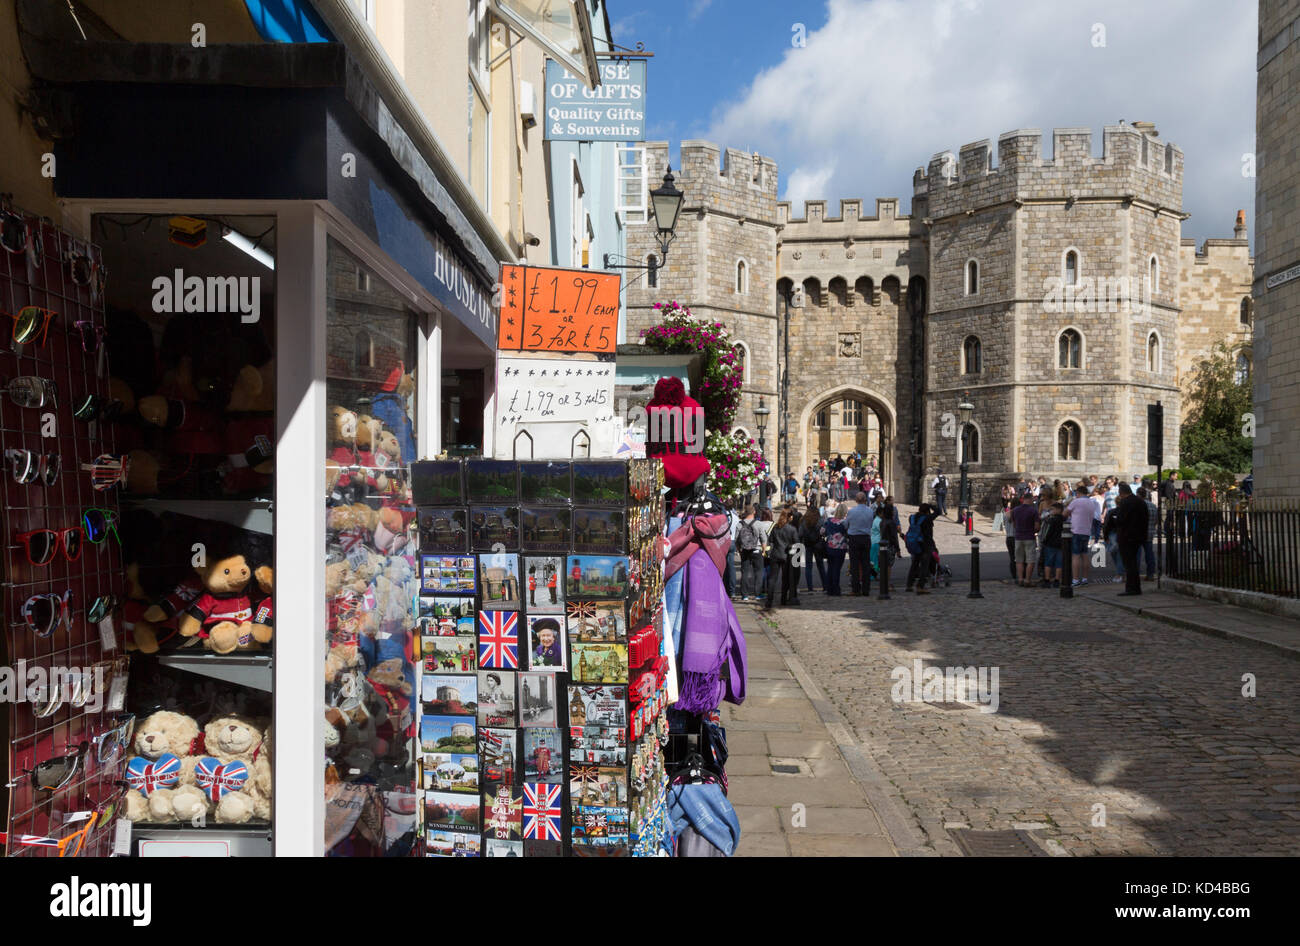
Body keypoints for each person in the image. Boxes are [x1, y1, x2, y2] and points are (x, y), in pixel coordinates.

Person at [1112, 483, 1149, 596]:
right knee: (1133, 562)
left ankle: (1131, 588)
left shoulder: (1125, 502)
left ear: (1122, 493)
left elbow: (1121, 520)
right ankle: (1135, 587)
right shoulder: (1140, 501)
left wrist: (1115, 520)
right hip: (1139, 536)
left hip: (1127, 536)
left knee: (1129, 564)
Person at [763, 508, 800, 610]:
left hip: (775, 554)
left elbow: (770, 541)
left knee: (772, 578)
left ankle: (769, 600)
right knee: (785, 578)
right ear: (790, 517)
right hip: (786, 556)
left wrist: (768, 552)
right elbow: (797, 543)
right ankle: (783, 599)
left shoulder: (775, 527)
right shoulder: (792, 529)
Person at [905, 503, 940, 593]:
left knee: (915, 564)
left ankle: (909, 585)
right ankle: (920, 586)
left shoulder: (912, 517)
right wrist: (931, 505)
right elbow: (938, 511)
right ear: (927, 511)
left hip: (915, 543)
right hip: (926, 544)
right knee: (924, 565)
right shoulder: (927, 518)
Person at [846, 492, 875, 595]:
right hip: (866, 538)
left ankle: (856, 589)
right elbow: (871, 524)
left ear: (856, 500)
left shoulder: (852, 511)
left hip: (854, 538)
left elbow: (846, 524)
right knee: (865, 564)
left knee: (854, 565)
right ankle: (866, 589)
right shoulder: (870, 511)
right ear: (865, 500)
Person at [1066, 484, 1095, 586]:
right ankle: (1085, 578)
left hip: (1076, 531)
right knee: (1085, 555)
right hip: (1087, 531)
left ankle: (1075, 579)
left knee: (1076, 556)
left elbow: (1065, 513)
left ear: (1078, 493)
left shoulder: (1076, 501)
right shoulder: (1091, 502)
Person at [1010, 492, 1040, 587]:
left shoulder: (1015, 510)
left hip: (1018, 537)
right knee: (1030, 560)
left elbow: (1014, 524)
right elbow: (1037, 527)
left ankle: (1020, 579)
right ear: (1030, 499)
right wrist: (1034, 530)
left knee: (1019, 560)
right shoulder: (1033, 511)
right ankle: (1027, 580)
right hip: (1029, 537)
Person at [821, 502, 849, 596]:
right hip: (840, 548)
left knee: (830, 568)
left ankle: (829, 589)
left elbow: (822, 532)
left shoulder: (829, 520)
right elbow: (848, 533)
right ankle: (836, 589)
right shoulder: (844, 523)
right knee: (837, 568)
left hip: (830, 546)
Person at [736, 505, 763, 601]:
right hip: (756, 549)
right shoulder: (758, 523)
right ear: (754, 512)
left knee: (745, 572)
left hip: (744, 550)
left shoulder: (740, 524)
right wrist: (763, 549)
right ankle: (758, 594)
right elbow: (763, 538)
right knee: (758, 572)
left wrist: (740, 550)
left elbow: (737, 540)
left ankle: (745, 595)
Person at [799, 505, 827, 593]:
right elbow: (824, 532)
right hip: (818, 544)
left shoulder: (803, 521)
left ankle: (810, 587)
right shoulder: (820, 520)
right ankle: (825, 586)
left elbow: (800, 533)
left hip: (807, 544)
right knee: (821, 566)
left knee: (808, 567)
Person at [877, 499, 901, 597]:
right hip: (889, 545)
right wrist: (898, 549)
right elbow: (894, 537)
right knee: (888, 566)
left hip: (883, 544)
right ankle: (885, 584)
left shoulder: (882, 522)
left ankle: (884, 584)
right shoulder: (891, 523)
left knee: (884, 565)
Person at [1041, 501, 1064, 588]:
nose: (1051, 511)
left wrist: (1044, 540)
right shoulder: (1064, 519)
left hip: (1050, 543)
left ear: (1058, 510)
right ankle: (1057, 580)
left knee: (1048, 562)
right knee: (1059, 563)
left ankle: (1047, 580)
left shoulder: (1051, 520)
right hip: (1061, 544)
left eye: (1053, 509)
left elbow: (1047, 532)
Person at [1139, 487, 1158, 580]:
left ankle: (1135, 574)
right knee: (1149, 554)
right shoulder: (1153, 506)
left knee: (1137, 554)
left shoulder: (1138, 505)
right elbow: (1156, 520)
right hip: (1150, 532)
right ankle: (1150, 573)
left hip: (1138, 533)